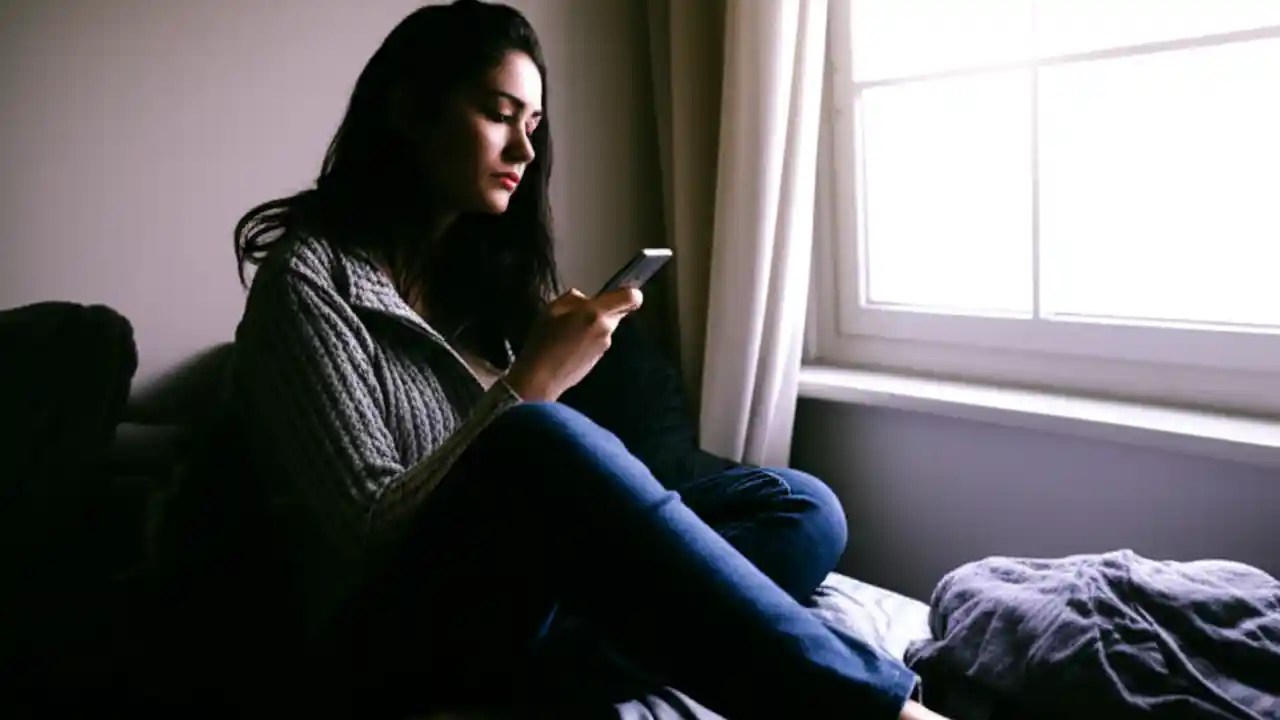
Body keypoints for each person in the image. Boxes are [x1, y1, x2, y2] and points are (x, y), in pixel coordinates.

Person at [230, 1, 945, 718]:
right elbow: (368, 537)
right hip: (388, 639)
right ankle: (881, 710)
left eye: (533, 125)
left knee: (801, 507)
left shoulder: (479, 284)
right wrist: (531, 383)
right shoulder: (306, 282)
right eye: (498, 114)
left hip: (527, 613)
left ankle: (585, 665)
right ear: (410, 110)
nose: (525, 152)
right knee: (540, 438)